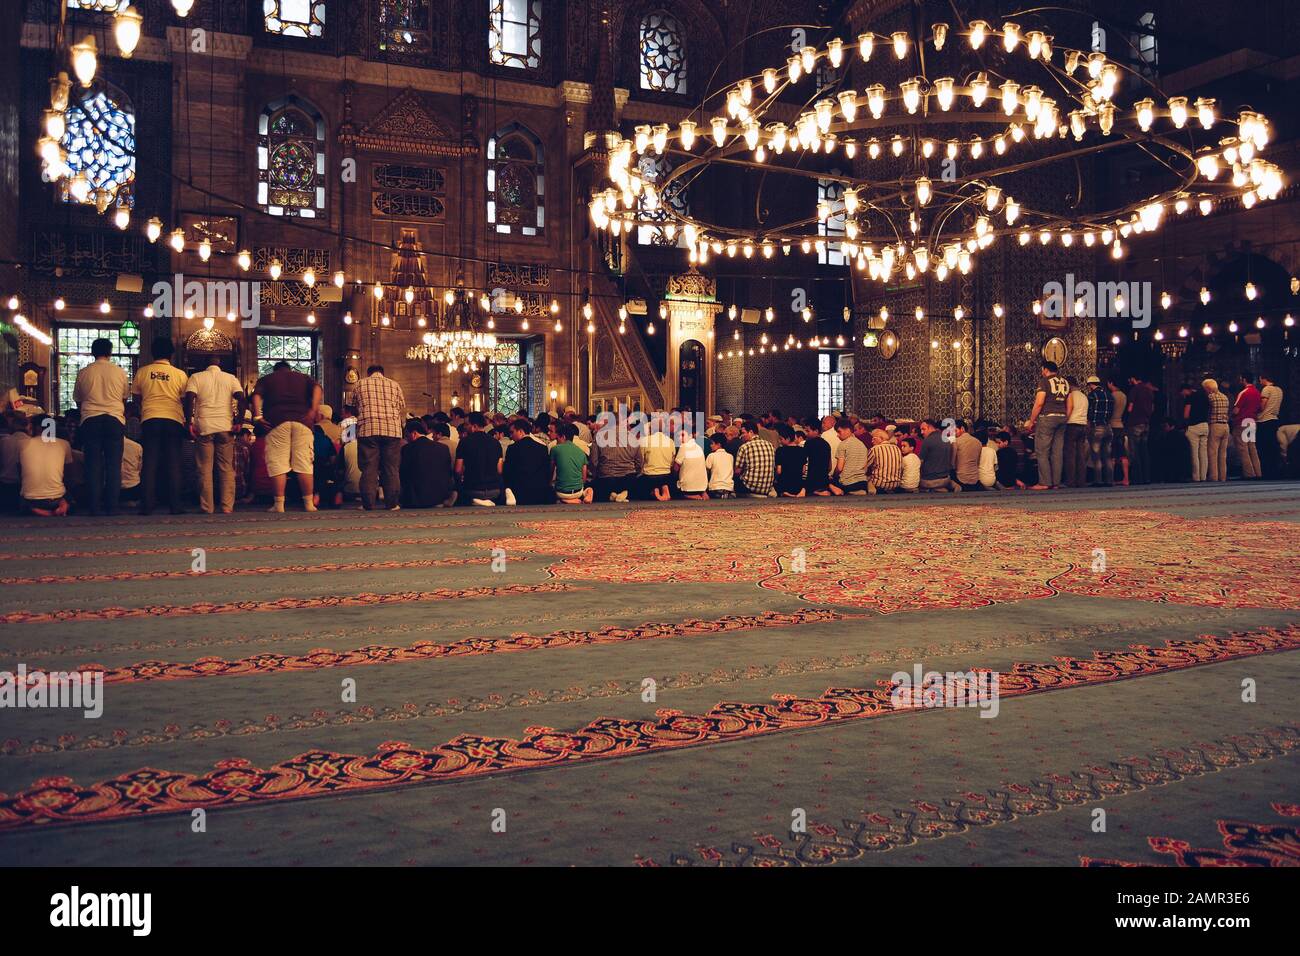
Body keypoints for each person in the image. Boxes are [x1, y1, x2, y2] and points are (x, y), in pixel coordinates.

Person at [251, 360, 321, 512]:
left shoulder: (267, 379)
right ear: (289, 369)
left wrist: (257, 416)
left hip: (276, 422)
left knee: (278, 463)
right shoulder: (303, 377)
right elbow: (317, 388)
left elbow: (256, 396)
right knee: (304, 463)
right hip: (303, 421)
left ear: (275, 370)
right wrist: (313, 410)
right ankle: (309, 504)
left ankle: (279, 504)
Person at [132, 337, 189, 515]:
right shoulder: (180, 374)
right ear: (171, 354)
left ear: (152, 352)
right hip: (173, 419)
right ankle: (175, 505)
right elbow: (184, 399)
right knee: (174, 463)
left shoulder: (143, 372)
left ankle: (147, 505)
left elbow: (137, 397)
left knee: (150, 463)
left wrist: (144, 410)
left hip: (150, 418)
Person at [73, 337, 129, 515]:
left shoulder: (84, 373)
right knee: (113, 465)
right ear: (110, 352)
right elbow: (124, 398)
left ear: (92, 352)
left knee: (93, 465)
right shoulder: (119, 372)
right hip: (114, 419)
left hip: (91, 420)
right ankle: (112, 506)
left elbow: (78, 400)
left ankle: (94, 507)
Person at [184, 356, 245, 514]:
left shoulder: (196, 377)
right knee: (226, 468)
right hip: (225, 426)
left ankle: (207, 507)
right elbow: (241, 398)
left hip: (204, 427)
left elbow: (189, 399)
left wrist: (189, 423)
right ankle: (227, 507)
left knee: (204, 469)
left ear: (205, 365)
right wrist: (239, 420)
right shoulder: (230, 378)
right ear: (220, 365)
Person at [354, 364, 406, 510]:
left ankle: (368, 504)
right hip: (392, 431)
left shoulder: (359, 384)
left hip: (368, 430)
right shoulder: (394, 385)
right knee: (391, 468)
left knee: (369, 468)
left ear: (368, 373)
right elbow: (400, 407)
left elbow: (352, 407)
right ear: (383, 373)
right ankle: (392, 504)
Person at [1026, 361, 1072, 489]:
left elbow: (1039, 402)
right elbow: (1070, 404)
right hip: (1062, 418)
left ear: (1045, 369)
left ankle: (1044, 482)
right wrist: (1065, 416)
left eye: (1042, 369)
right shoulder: (1065, 382)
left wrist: (1031, 420)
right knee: (1057, 452)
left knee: (1042, 451)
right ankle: (1056, 482)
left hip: (1047, 418)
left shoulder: (1044, 381)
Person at [19, 417, 72, 516]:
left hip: (31, 500)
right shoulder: (64, 444)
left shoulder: (23, 443)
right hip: (56, 498)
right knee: (70, 496)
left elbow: (19, 471)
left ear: (36, 427)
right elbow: (68, 474)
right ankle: (62, 507)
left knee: (19, 497)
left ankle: (34, 510)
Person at [399, 418, 454, 508]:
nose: (406, 439)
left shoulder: (407, 449)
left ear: (414, 434)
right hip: (440, 497)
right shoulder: (443, 448)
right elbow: (448, 472)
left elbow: (404, 474)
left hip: (416, 498)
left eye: (406, 436)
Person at [455, 411, 503, 506]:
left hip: (473, 490)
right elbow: (499, 470)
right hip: (494, 490)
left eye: (467, 424)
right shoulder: (496, 442)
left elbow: (457, 470)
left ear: (474, 426)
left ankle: (476, 501)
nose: (465, 427)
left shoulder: (464, 442)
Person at [502, 417, 553, 506]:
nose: (510, 436)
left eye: (512, 432)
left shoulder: (512, 448)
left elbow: (507, 472)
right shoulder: (542, 448)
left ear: (521, 431)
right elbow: (547, 472)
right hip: (540, 492)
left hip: (519, 492)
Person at [551, 421, 594, 504]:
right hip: (578, 492)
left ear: (563, 437)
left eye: (557, 439)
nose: (556, 441)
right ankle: (581, 496)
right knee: (589, 489)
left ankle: (565, 500)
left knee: (550, 492)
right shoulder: (581, 452)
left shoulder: (555, 449)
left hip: (560, 492)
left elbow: (551, 471)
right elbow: (584, 478)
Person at [1125, 374, 1155, 484]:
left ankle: (1137, 478)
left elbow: (1130, 408)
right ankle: (1147, 477)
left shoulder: (1135, 390)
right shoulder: (1149, 391)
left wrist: (1128, 417)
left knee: (1135, 451)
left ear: (1133, 378)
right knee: (1144, 451)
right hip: (1146, 423)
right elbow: (1152, 408)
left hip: (1135, 422)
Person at [734, 419, 776, 497]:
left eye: (743, 433)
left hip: (750, 487)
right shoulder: (770, 445)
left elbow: (737, 471)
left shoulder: (744, 447)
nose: (741, 436)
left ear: (751, 432)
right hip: (767, 487)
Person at [1233, 372, 1263, 480]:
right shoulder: (1257, 392)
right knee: (1252, 448)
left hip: (1243, 421)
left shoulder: (1244, 392)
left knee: (1243, 448)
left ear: (1244, 379)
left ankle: (1249, 473)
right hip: (1252, 421)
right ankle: (1258, 472)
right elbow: (1260, 408)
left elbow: (1236, 410)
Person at [1085, 375, 1115, 486]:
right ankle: (1109, 481)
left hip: (1097, 427)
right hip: (1108, 427)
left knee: (1096, 456)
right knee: (1107, 455)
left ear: (1091, 385)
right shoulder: (1109, 395)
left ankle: (1098, 480)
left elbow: (1089, 413)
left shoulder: (1092, 395)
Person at [639, 416, 676, 501]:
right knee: (664, 479)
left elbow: (640, 460)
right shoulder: (670, 441)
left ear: (650, 428)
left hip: (649, 477)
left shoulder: (645, 440)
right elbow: (672, 462)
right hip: (667, 476)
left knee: (638, 483)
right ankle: (664, 488)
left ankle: (654, 490)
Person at [917, 418, 958, 492]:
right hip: (946, 477)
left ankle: (934, 489)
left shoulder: (927, 441)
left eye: (923, 429)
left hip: (930, 480)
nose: (921, 432)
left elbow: (920, 462)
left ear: (930, 427)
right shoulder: (946, 439)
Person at [1063, 376, 1090, 487]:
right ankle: (1081, 481)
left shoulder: (1070, 396)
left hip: (1072, 425)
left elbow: (1068, 410)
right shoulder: (1084, 396)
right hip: (1083, 426)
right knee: (1081, 455)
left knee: (1070, 455)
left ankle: (1070, 481)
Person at [831, 417, 869, 494]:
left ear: (848, 430)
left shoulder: (843, 444)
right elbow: (865, 467)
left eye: (839, 432)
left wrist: (833, 476)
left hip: (848, 483)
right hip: (863, 483)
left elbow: (839, 468)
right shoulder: (862, 444)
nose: (837, 435)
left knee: (827, 482)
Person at [1181, 380, 1210, 482]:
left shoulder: (1190, 398)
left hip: (1194, 426)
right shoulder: (1204, 395)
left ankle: (1196, 477)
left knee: (1194, 453)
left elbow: (1186, 414)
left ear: (1185, 390)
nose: (1182, 395)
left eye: (1182, 393)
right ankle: (1203, 476)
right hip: (1205, 425)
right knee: (1203, 453)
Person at [1257, 373, 1284, 479]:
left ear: (1264, 379)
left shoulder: (1266, 389)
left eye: (1260, 379)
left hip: (1265, 420)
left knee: (1264, 448)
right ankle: (1275, 471)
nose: (1260, 382)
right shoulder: (1279, 390)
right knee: (1273, 447)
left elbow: (1262, 406)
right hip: (1274, 419)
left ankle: (1267, 472)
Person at [1204, 378, 1231, 482]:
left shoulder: (1210, 397)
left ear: (1208, 388)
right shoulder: (1225, 397)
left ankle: (1214, 476)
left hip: (1215, 425)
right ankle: (1223, 477)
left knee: (1212, 453)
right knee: (1223, 454)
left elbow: (1208, 411)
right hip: (1225, 426)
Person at [674, 424, 709, 499]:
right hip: (702, 486)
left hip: (688, 487)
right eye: (678, 436)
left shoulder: (684, 447)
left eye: (683, 435)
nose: (680, 438)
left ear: (690, 435)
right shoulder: (699, 447)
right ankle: (701, 493)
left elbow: (676, 468)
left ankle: (689, 495)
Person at [773, 423, 807, 497]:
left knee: (775, 486)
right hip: (797, 486)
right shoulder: (802, 450)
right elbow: (803, 471)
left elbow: (779, 471)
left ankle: (784, 493)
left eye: (781, 439)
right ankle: (799, 492)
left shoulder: (780, 450)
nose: (779, 441)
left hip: (784, 485)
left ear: (788, 439)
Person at [866, 428, 903, 494]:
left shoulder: (875, 449)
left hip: (879, 485)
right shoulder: (897, 448)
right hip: (896, 484)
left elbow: (865, 466)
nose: (872, 441)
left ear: (881, 438)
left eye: (873, 438)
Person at [802, 417, 832, 495]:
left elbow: (803, 465)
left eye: (808, 431)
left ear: (816, 431)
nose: (806, 433)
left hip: (812, 481)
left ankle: (815, 492)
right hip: (824, 481)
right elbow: (830, 467)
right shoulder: (826, 444)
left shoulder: (808, 443)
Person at [1107, 377, 1129, 485]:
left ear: (1111, 383)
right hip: (1121, 425)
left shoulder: (1112, 396)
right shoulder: (1124, 396)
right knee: (1122, 453)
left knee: (1112, 454)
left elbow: (1110, 412)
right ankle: (1126, 478)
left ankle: (1111, 478)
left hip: (1112, 425)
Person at [951, 420, 982, 491]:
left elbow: (952, 464)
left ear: (962, 429)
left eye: (955, 431)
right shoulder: (978, 442)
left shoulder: (955, 442)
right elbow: (978, 463)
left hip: (961, 479)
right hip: (975, 479)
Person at [705, 432, 734, 498]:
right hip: (729, 489)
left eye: (712, 443)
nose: (710, 445)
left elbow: (705, 472)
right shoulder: (730, 456)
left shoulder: (711, 455)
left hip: (715, 488)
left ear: (718, 444)